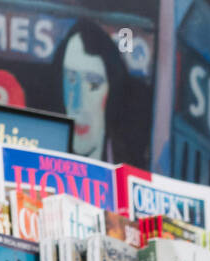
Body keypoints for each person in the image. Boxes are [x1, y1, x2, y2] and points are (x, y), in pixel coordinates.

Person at [48, 19, 149, 167]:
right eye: (71, 79)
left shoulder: (130, 165)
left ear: (111, 91)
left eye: (93, 83)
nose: (77, 104)